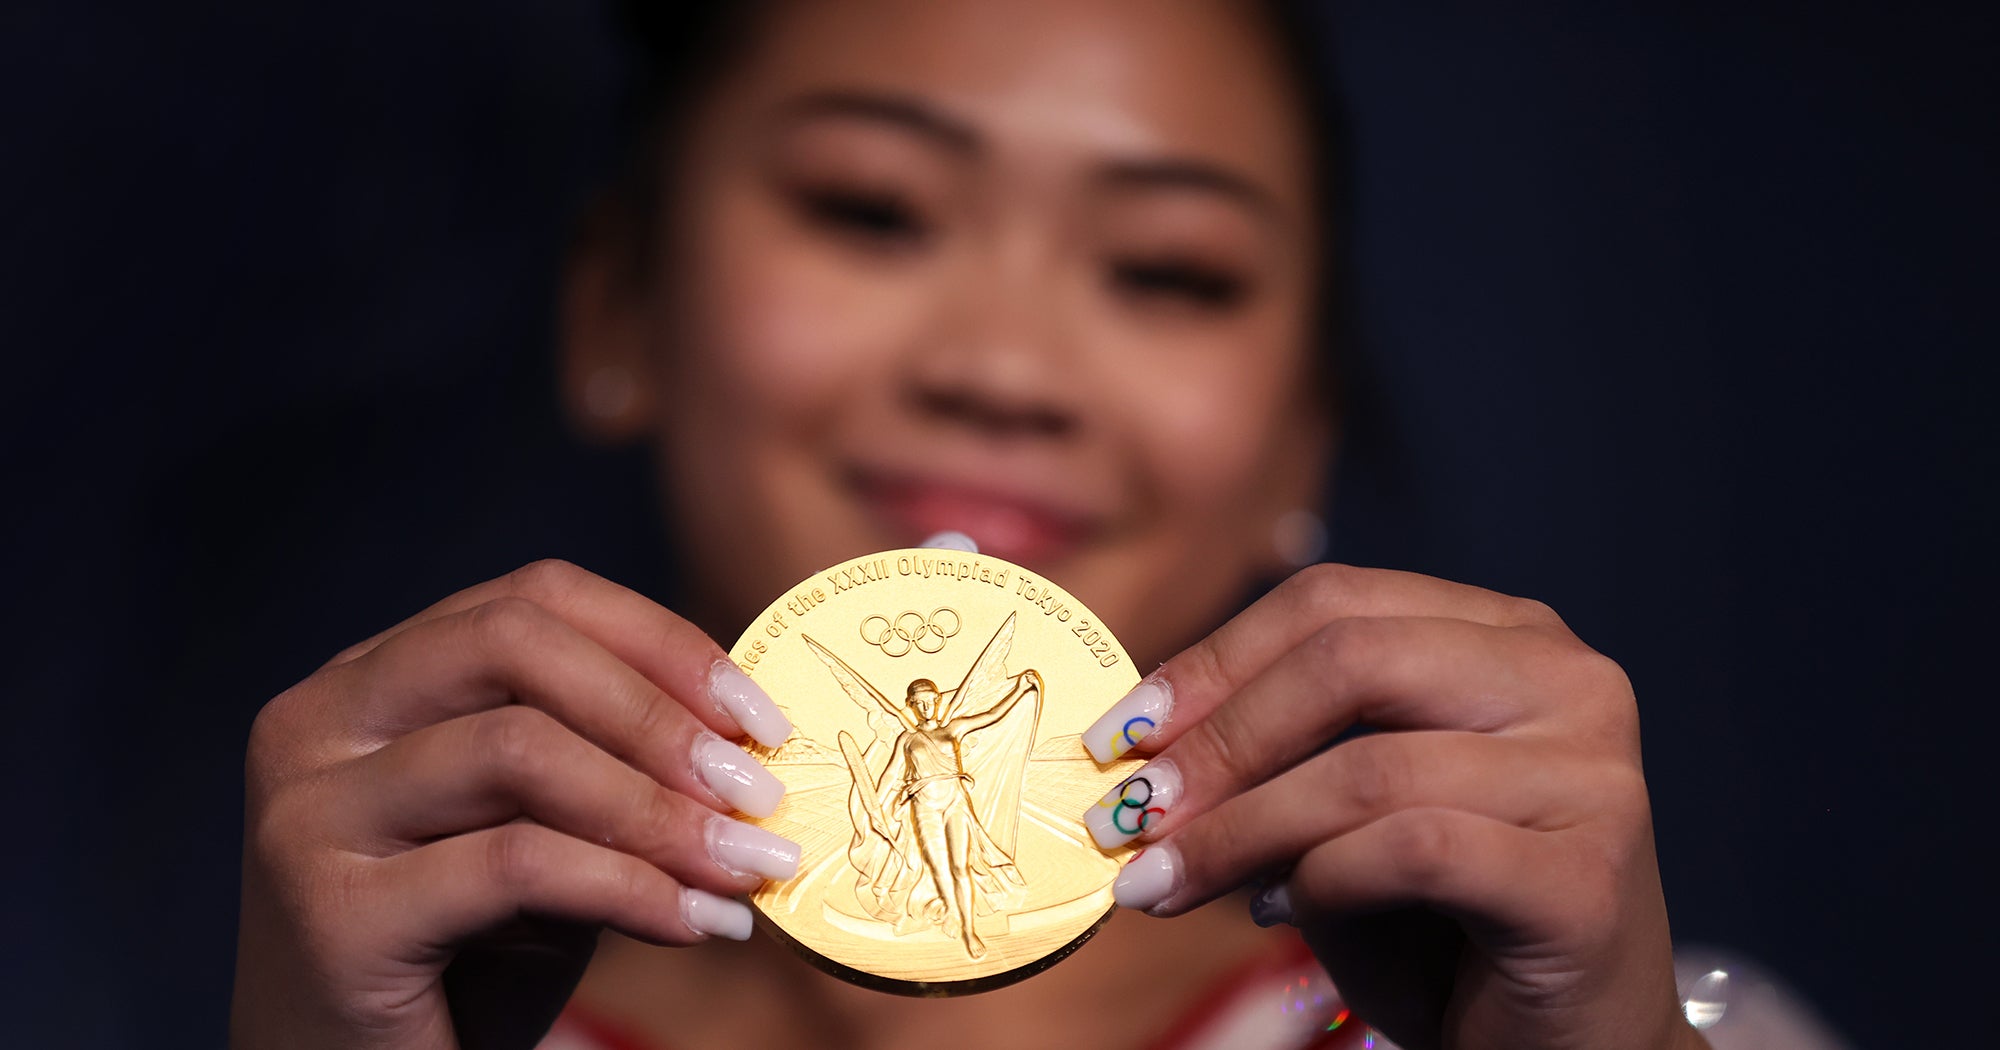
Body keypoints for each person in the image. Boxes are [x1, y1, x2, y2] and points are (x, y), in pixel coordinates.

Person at [228, 2, 1832, 1048]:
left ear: (1302, 428)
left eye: (1168, 272)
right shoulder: (378, 1010)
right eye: (869, 208)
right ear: (618, 304)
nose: (1005, 369)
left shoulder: (1617, 1020)